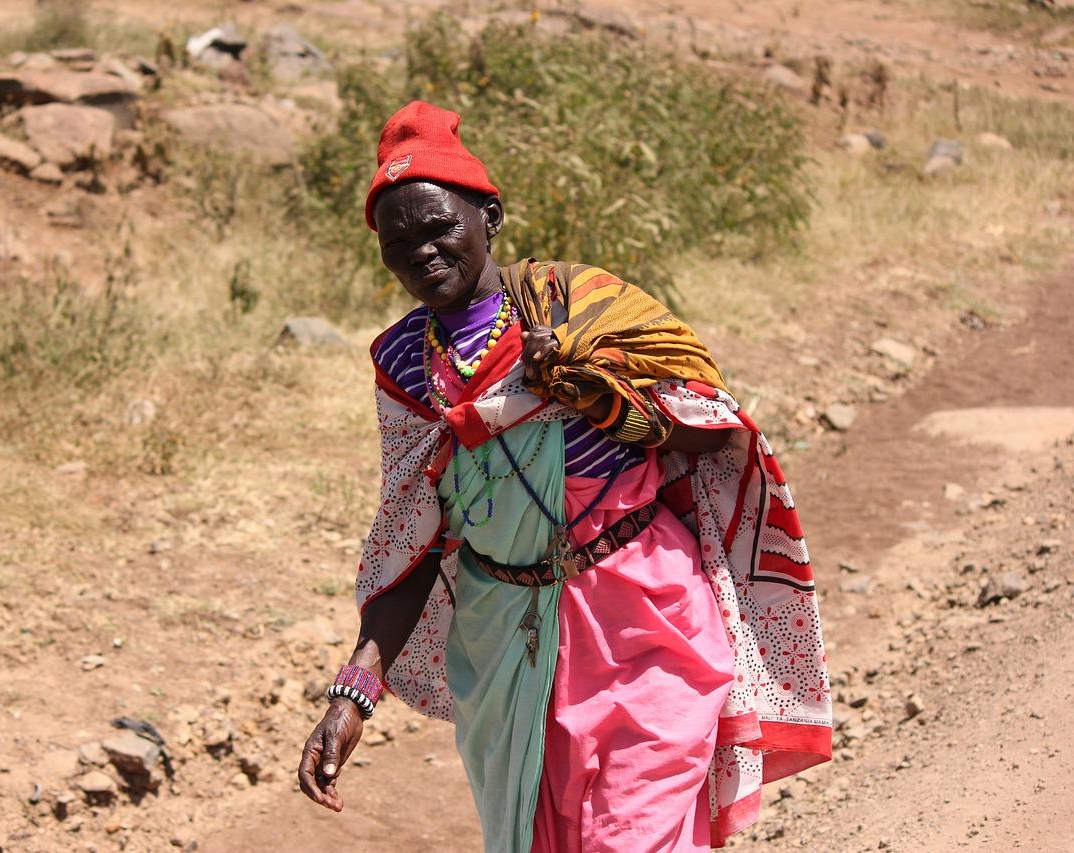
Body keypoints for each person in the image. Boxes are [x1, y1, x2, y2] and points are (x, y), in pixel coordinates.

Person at [298, 101, 832, 851]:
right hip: (503, 648)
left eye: (439, 227)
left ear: (491, 215)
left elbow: (706, 429)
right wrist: (353, 696)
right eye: (397, 244)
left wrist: (591, 391)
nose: (420, 253)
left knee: (631, 838)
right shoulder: (402, 366)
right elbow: (414, 535)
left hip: (641, 618)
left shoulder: (581, 308)